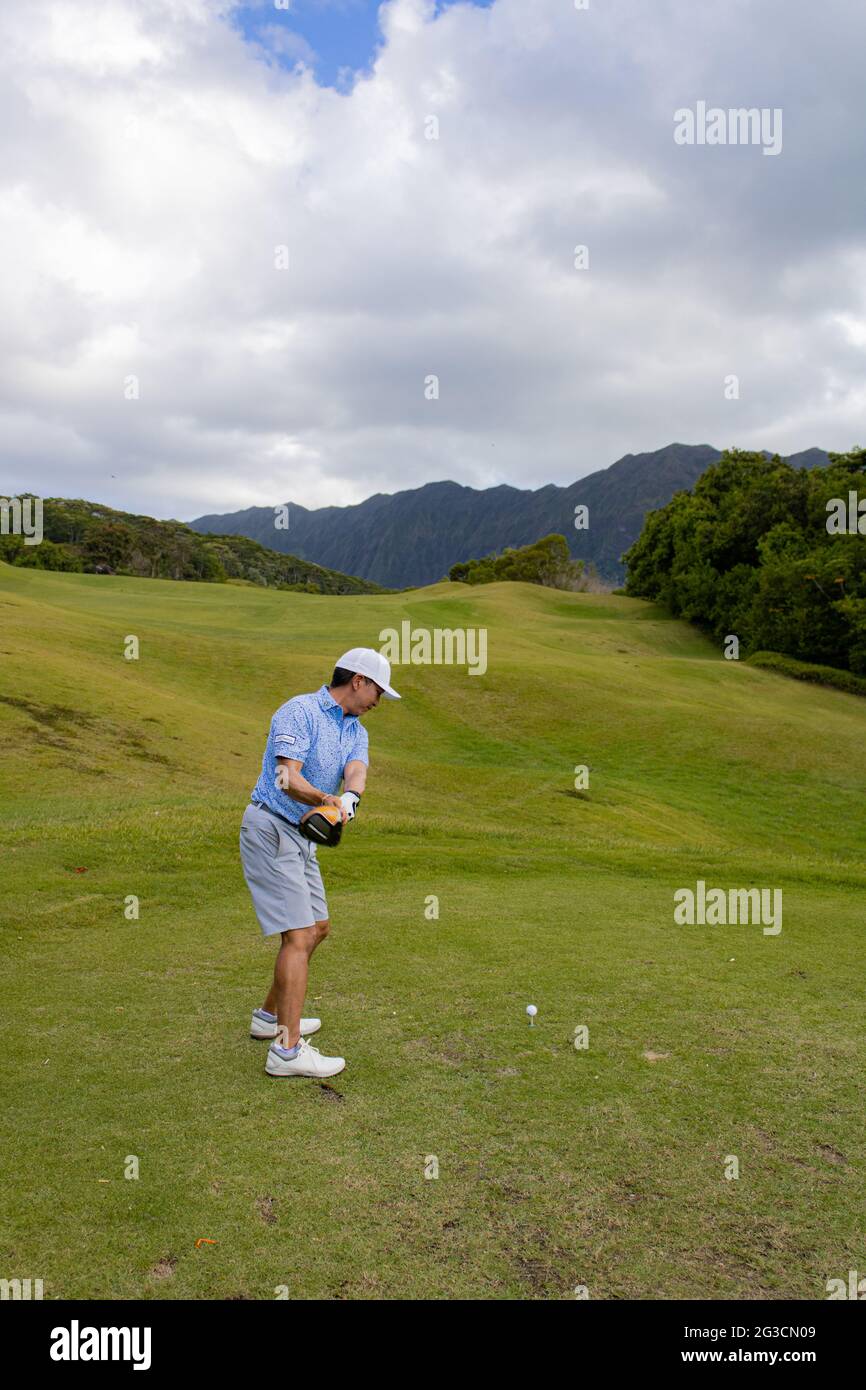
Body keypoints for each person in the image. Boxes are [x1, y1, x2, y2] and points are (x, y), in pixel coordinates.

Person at [240, 648, 400, 1078]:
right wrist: (326, 799)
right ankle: (286, 1052)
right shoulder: (300, 711)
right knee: (299, 934)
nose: (377, 702)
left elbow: (357, 769)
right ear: (358, 681)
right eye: (378, 692)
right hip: (272, 827)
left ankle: (268, 1017)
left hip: (303, 834)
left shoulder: (355, 728)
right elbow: (285, 777)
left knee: (318, 929)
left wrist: (350, 796)